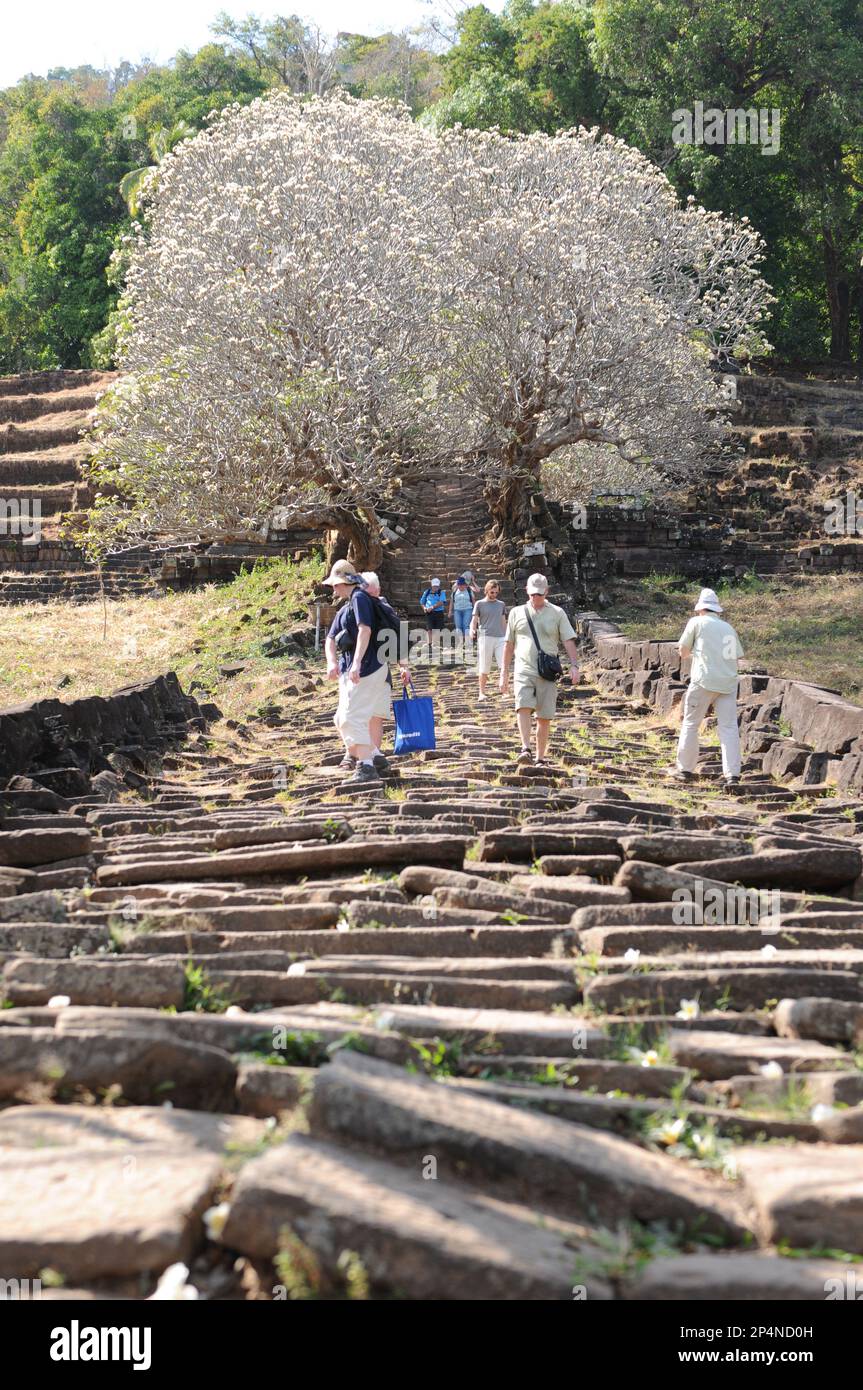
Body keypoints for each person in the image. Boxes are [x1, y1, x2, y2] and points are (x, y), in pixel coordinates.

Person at [323, 560, 394, 784]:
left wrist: (356, 662)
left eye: (335, 584)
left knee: (352, 717)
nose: (333, 588)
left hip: (369, 666)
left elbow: (365, 630)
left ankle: (365, 767)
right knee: (340, 718)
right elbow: (331, 638)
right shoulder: (348, 605)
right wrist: (333, 662)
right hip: (359, 667)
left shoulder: (360, 598)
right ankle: (374, 756)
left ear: (345, 582)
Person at [499, 573, 580, 766]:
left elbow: (568, 640)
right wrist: (504, 672)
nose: (535, 598)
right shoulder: (516, 613)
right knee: (523, 706)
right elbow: (509, 644)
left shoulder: (557, 613)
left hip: (547, 671)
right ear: (526, 590)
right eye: (532, 594)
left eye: (539, 594)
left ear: (546, 592)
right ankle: (525, 748)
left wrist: (575, 665)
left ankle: (540, 757)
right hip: (523, 668)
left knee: (544, 717)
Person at [668, 587, 744, 789]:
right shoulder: (728, 628)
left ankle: (685, 769)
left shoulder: (696, 623)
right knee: (728, 728)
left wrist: (696, 655)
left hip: (703, 680)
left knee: (691, 723)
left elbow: (683, 651)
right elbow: (736, 656)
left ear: (700, 608)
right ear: (716, 609)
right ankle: (733, 775)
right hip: (728, 682)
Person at [470, 579, 507, 701]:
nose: (494, 595)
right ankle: (481, 692)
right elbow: (474, 620)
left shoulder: (501, 604)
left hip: (501, 638)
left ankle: (504, 691)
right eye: (492, 592)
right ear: (486, 590)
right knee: (484, 666)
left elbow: (503, 622)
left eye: (496, 592)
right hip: (485, 637)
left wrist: (508, 636)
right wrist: (472, 630)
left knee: (503, 665)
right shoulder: (479, 604)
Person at [448, 575, 474, 650]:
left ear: (465, 585)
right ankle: (461, 642)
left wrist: (475, 611)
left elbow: (473, 600)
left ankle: (468, 643)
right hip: (457, 610)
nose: (461, 586)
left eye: (462, 584)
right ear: (458, 585)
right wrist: (450, 611)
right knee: (458, 627)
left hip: (468, 609)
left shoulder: (469, 590)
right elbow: (452, 602)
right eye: (459, 585)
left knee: (466, 626)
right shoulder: (455, 591)